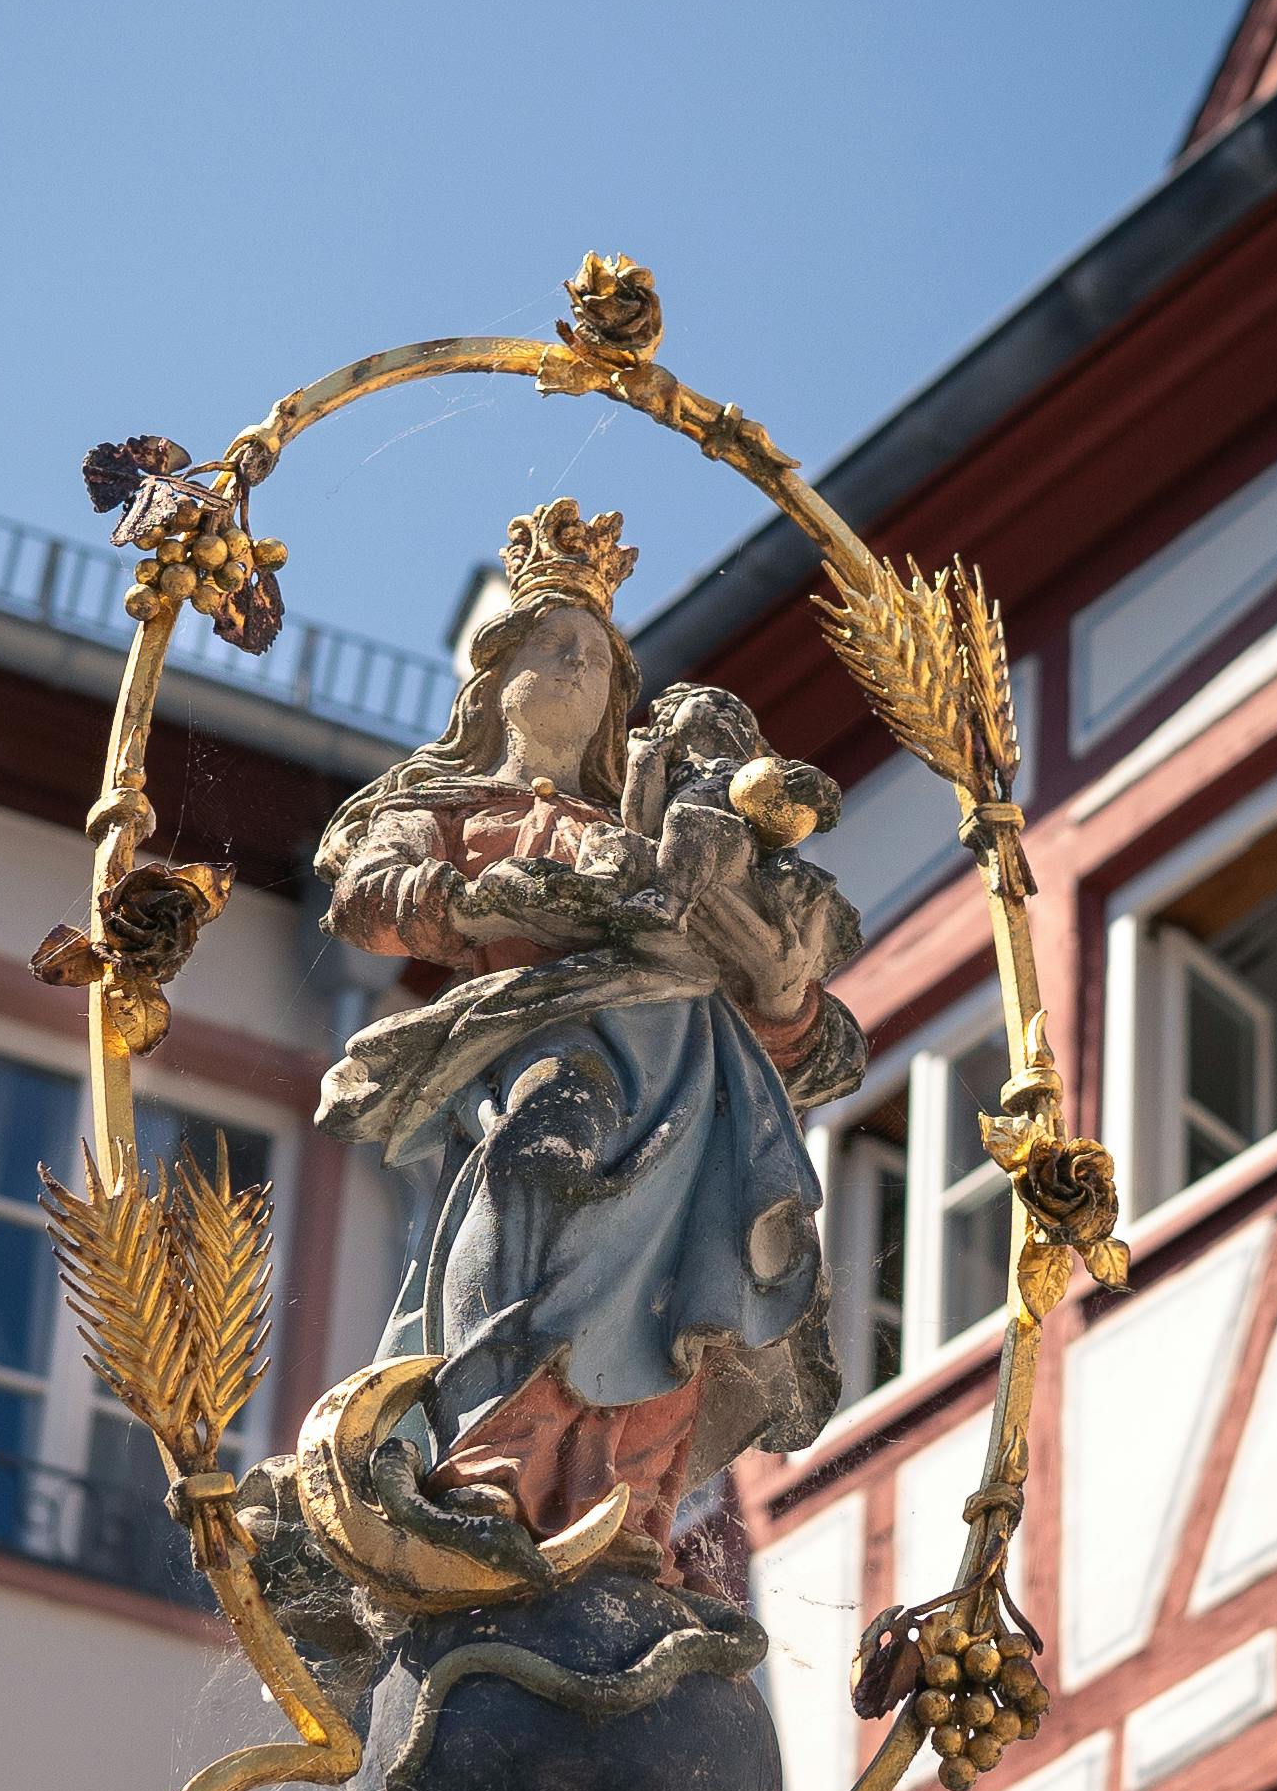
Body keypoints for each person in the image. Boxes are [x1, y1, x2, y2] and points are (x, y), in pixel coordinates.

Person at [313, 496, 864, 1578]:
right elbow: (366, 898)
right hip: (539, 1039)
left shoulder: (654, 827)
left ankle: (629, 1493)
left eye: (595, 659)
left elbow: (790, 1033)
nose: (574, 669)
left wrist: (784, 989)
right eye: (551, 648)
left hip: (691, 1065)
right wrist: (493, 900)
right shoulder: (452, 801)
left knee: (690, 1270)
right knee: (531, 1167)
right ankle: (488, 1446)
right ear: (495, 677)